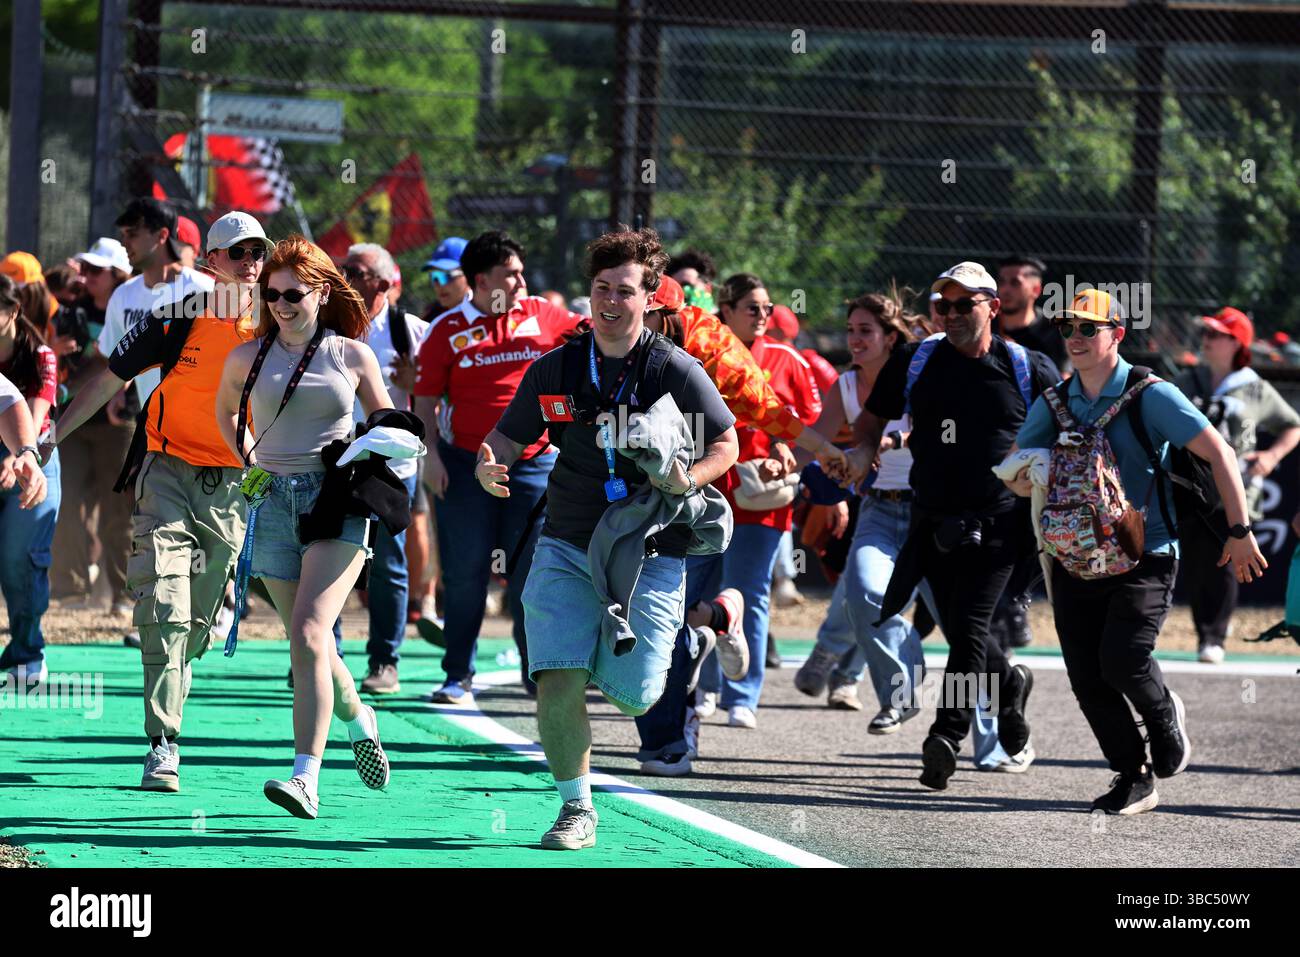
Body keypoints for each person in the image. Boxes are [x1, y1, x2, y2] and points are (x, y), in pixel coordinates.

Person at [482, 225, 738, 849]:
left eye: (625, 291)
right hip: (567, 538)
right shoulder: (558, 367)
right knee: (558, 673)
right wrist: (492, 463)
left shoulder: (674, 370)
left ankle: (693, 636)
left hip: (649, 546)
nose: (610, 301)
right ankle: (577, 808)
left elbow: (725, 443)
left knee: (634, 697)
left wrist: (687, 477)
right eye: (601, 288)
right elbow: (507, 437)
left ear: (649, 297)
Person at [1008, 289, 1266, 814]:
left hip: (1147, 552)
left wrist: (1239, 530)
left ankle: (1163, 712)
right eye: (1068, 329)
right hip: (1073, 557)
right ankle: (1134, 776)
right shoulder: (1055, 401)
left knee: (1123, 660)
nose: (1075, 339)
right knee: (1086, 675)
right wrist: (1026, 473)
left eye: (1088, 328)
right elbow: (1015, 469)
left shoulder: (1152, 394)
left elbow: (1220, 451)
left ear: (1117, 334)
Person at [54, 211, 267, 792]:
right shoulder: (176, 318)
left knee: (194, 624)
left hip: (232, 486)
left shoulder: (278, 322)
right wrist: (50, 438)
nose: (250, 263)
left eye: (258, 253)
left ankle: (179, 664)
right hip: (165, 469)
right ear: (211, 263)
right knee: (163, 607)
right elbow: (106, 378)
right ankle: (162, 743)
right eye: (238, 253)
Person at [847, 261, 1058, 790]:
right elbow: (872, 419)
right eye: (945, 305)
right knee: (969, 631)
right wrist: (865, 451)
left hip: (1002, 523)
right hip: (934, 519)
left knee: (966, 625)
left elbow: (1067, 429)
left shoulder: (1026, 366)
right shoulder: (916, 361)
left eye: (966, 304)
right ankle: (1009, 687)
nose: (953, 314)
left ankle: (946, 733)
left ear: (992, 307)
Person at [632, 275, 849, 775]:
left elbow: (775, 414)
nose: (629, 322)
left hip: (705, 498)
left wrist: (824, 454)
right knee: (636, 612)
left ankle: (674, 734)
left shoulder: (715, 351)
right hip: (630, 497)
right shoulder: (607, 335)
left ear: (666, 312)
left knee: (670, 613)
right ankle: (717, 619)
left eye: (643, 314)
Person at [216, 235, 398, 819]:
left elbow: (388, 419)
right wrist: (245, 455)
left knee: (312, 635)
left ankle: (305, 778)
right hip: (269, 499)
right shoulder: (247, 357)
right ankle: (360, 718)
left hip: (333, 502)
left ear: (320, 290)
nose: (280, 305)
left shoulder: (351, 354)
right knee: (307, 641)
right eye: (271, 295)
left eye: (292, 294)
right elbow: (224, 412)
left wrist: (384, 446)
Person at [413, 230, 583, 702]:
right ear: (483, 280)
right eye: (511, 273)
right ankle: (457, 675)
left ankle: (538, 675)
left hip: (535, 467)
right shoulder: (445, 330)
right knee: (466, 575)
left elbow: (599, 340)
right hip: (465, 467)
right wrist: (429, 459)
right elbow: (424, 402)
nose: (522, 279)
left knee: (534, 575)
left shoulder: (546, 316)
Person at [696, 272, 822, 730]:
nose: (763, 315)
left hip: (762, 500)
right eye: (753, 307)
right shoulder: (703, 352)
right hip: (706, 493)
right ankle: (705, 686)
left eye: (768, 307)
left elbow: (814, 424)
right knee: (703, 592)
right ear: (725, 310)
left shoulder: (789, 359)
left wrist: (791, 454)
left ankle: (742, 694)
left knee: (748, 593)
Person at [1173, 307, 1300, 664]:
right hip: (1191, 485)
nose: (1206, 341)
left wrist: (1272, 456)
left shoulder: (1255, 388)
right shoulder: (1185, 381)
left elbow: (1293, 425)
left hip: (1236, 487)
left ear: (1236, 343)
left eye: (1216, 335)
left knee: (1225, 558)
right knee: (1197, 561)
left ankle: (1213, 637)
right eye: (1206, 334)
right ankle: (1206, 631)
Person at [341, 243, 430, 694]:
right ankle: (323, 654)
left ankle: (384, 662)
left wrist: (421, 382)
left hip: (392, 465)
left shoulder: (410, 330)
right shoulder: (328, 323)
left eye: (353, 271)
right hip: (333, 458)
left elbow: (440, 389)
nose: (343, 277)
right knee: (324, 553)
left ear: (381, 283)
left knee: (389, 565)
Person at [49, 238, 136, 611]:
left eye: (96, 270)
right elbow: (45, 358)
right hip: (73, 419)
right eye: (84, 269)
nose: (86, 277)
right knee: (65, 502)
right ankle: (70, 591)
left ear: (118, 274)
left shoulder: (132, 307)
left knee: (119, 509)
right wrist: (55, 348)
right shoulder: (71, 311)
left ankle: (124, 595)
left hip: (118, 424)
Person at [0, 276, 60, 686]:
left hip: (38, 453)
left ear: (12, 312)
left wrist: (19, 456)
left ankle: (26, 652)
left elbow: (35, 418)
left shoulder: (39, 354)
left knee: (20, 555)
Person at [996, 255, 1068, 374]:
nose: (1005, 289)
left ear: (1036, 290)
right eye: (1001, 282)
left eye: (1015, 283)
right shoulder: (987, 326)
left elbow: (1063, 379)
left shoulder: (1055, 331)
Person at [420, 237, 469, 322]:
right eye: (434, 277)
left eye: (448, 276)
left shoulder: (489, 313)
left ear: (470, 274)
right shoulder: (431, 319)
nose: (439, 284)